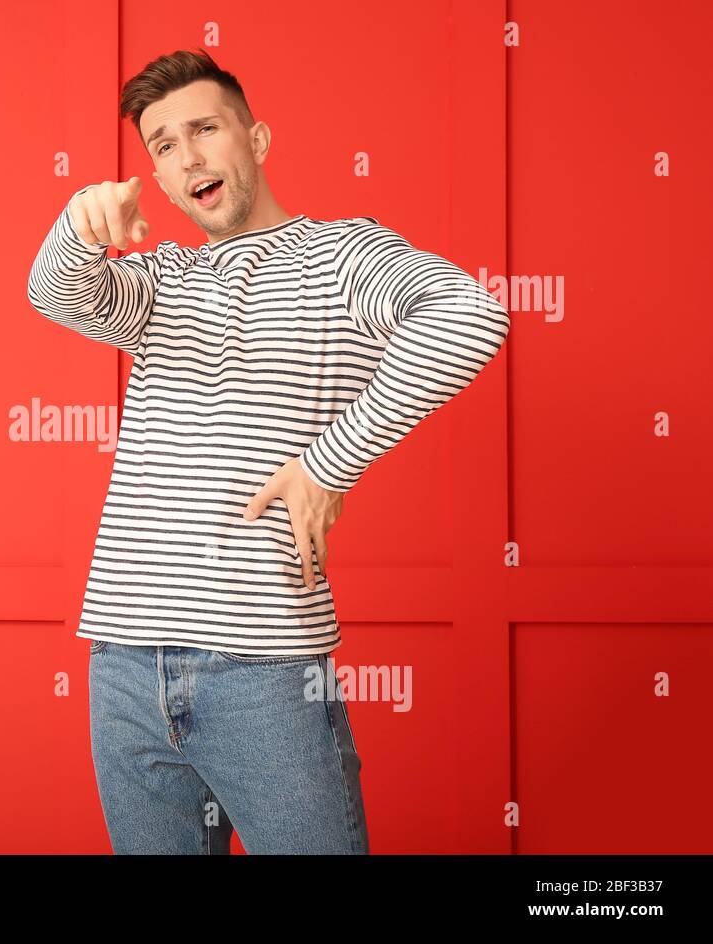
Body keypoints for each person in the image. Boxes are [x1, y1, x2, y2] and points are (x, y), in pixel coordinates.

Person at [26, 49, 509, 854]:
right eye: (163, 145)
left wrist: (329, 462)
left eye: (205, 129)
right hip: (121, 667)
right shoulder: (160, 283)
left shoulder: (345, 255)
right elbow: (55, 290)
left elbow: (469, 315)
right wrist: (83, 213)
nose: (187, 158)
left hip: (262, 672)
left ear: (257, 138)